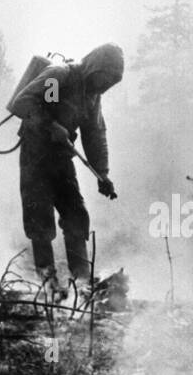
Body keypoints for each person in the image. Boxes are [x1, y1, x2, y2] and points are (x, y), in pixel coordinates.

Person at [9, 43, 122, 287]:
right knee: (40, 219)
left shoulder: (92, 97)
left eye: (112, 82)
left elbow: (95, 134)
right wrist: (50, 126)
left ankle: (81, 285)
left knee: (76, 216)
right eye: (105, 77)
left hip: (61, 158)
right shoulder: (61, 77)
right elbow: (26, 103)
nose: (106, 85)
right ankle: (47, 285)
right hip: (36, 155)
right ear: (95, 67)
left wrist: (102, 174)